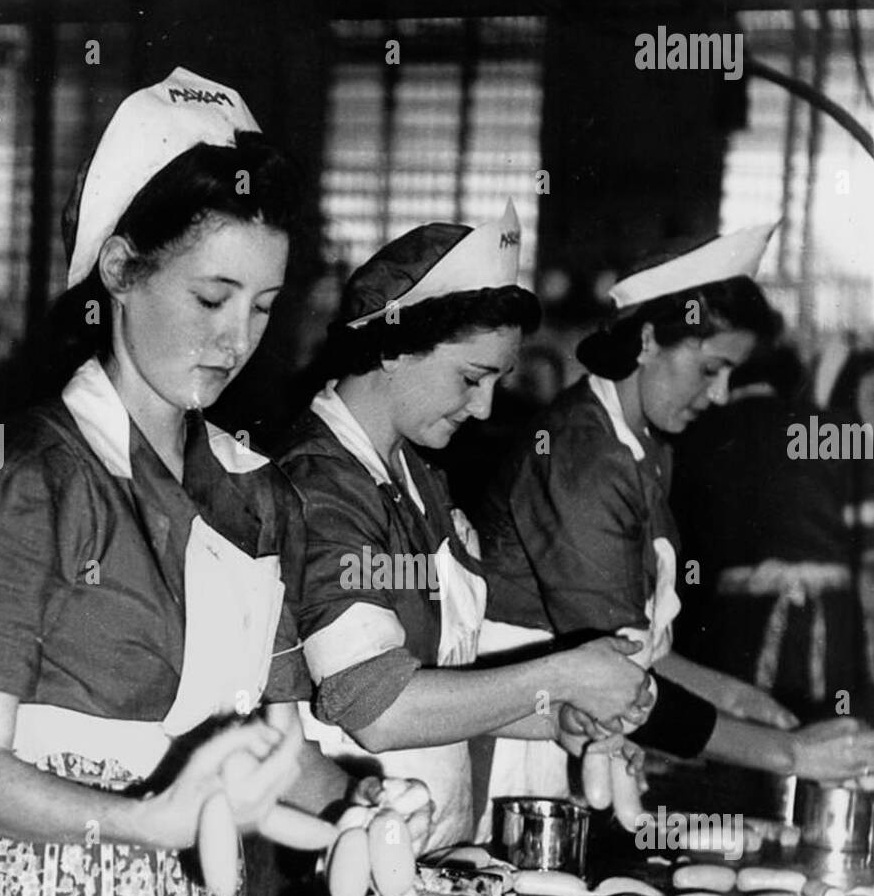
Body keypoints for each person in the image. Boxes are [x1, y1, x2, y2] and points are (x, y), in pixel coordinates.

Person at [0, 67, 428, 896]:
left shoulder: (254, 491)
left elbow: (271, 748)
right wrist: (149, 818)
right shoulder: (34, 482)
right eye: (210, 296)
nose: (236, 339)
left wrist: (363, 803)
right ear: (117, 269)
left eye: (261, 307)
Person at [279, 203, 654, 850]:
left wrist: (551, 719)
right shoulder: (320, 486)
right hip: (337, 847)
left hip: (420, 846)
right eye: (470, 378)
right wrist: (560, 675)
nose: (483, 408)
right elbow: (376, 709)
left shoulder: (413, 475)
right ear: (393, 346)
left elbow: (448, 674)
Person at [475, 225, 874, 787]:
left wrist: (736, 696)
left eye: (730, 375)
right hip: (517, 754)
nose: (718, 396)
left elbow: (636, 646)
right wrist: (789, 753)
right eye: (710, 370)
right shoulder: (583, 456)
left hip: (582, 731)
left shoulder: (644, 446)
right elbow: (617, 679)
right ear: (647, 342)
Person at [672, 344, 874, 723]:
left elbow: (688, 552)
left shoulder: (702, 432)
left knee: (746, 734)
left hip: (736, 626)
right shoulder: (833, 428)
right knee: (830, 733)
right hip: (831, 624)